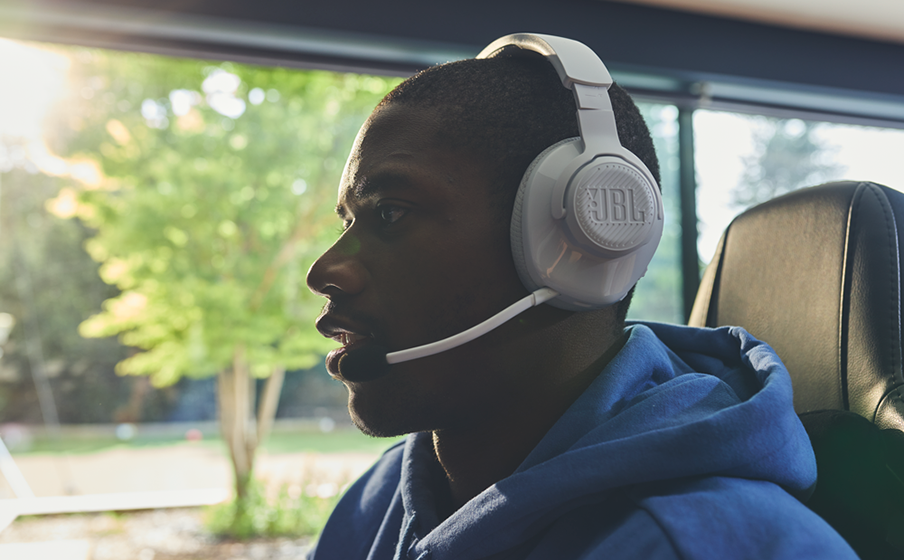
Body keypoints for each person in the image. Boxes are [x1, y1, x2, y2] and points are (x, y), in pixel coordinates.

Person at [304, 33, 856, 560]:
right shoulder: (379, 500)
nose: (324, 270)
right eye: (347, 222)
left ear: (579, 243)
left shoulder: (715, 544)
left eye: (391, 213)